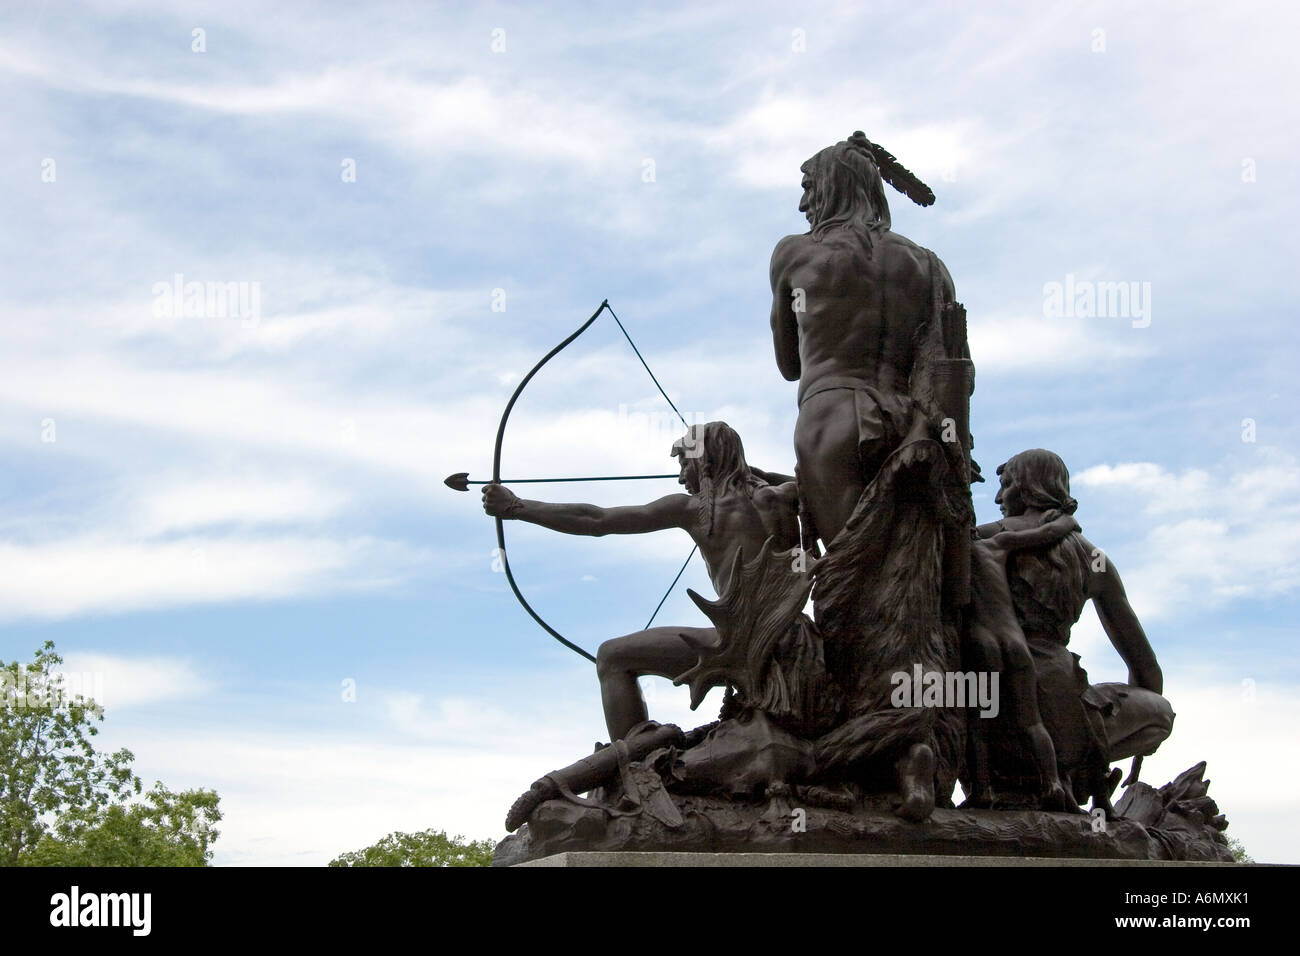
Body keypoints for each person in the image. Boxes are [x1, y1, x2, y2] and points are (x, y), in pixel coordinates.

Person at [482, 422, 800, 742]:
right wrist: (755, 473)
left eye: (684, 465)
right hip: (795, 638)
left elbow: (596, 520)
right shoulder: (782, 498)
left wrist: (515, 507)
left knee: (613, 657)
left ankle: (634, 768)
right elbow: (814, 491)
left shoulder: (691, 509)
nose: (680, 478)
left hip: (743, 643)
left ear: (704, 463)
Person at [769, 132, 965, 548]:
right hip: (914, 426)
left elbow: (789, 366)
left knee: (850, 572)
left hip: (830, 416)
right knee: (911, 571)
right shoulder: (930, 265)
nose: (804, 205)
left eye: (808, 190)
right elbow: (953, 366)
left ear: (831, 186)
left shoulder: (794, 254)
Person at [978, 449, 1173, 815]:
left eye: (1005, 485)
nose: (998, 497)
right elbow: (1146, 670)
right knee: (1160, 712)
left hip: (984, 710)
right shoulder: (1093, 559)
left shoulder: (982, 539)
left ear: (1027, 487)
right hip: (1063, 707)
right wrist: (1139, 754)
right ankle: (1078, 767)